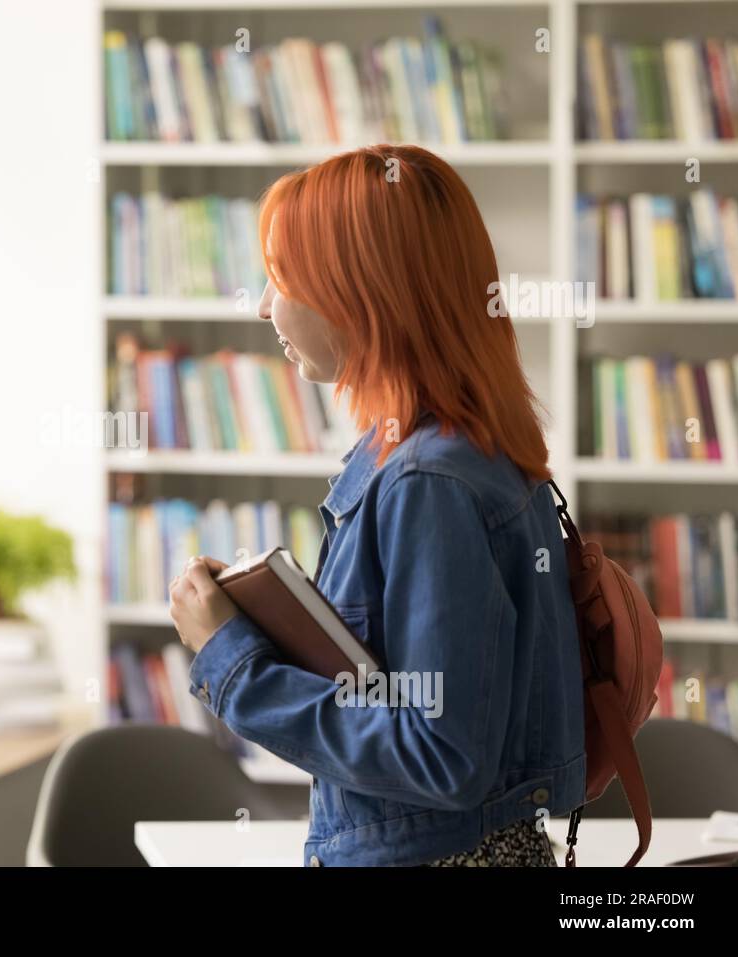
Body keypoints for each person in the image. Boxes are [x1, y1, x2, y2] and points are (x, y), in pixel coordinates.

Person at [167, 145, 585, 867]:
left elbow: (441, 751)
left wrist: (233, 661)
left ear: (361, 291)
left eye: (281, 278)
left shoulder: (429, 482)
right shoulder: (466, 453)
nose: (266, 305)